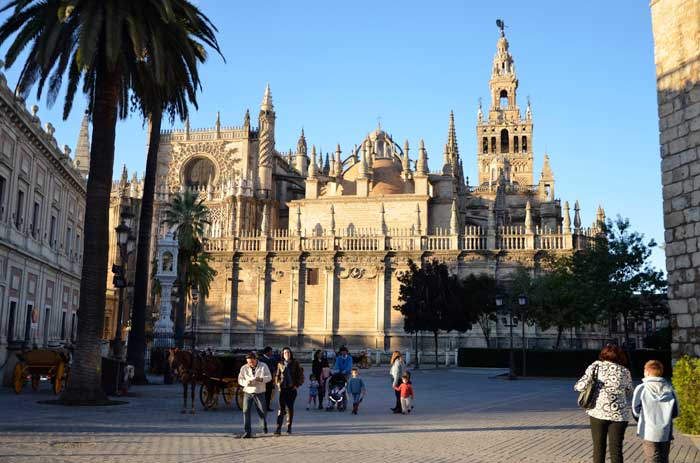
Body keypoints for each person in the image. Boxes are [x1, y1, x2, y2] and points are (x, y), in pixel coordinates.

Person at [574, 344, 633, 463]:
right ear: (619, 356)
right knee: (616, 450)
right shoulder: (625, 371)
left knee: (598, 448)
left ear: (603, 354)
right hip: (620, 414)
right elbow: (629, 391)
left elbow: (580, 386)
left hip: (598, 412)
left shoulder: (596, 367)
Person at [632, 360, 679, 463]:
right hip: (666, 431)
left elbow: (635, 411)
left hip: (648, 430)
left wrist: (643, 419)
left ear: (647, 372)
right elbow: (676, 412)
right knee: (664, 458)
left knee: (652, 458)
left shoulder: (641, 388)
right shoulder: (670, 389)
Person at [237, 352, 272, 439]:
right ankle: (247, 431)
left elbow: (269, 377)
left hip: (259, 392)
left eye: (252, 362)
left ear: (255, 360)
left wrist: (261, 379)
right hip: (248, 392)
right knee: (246, 411)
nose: (250, 364)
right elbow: (240, 379)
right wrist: (246, 382)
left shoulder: (263, 366)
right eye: (248, 362)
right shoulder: (244, 368)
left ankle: (263, 427)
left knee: (262, 411)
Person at [274, 346, 304, 435]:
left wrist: (297, 385)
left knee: (289, 408)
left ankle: (289, 427)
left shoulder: (295, 363)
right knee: (281, 408)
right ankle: (278, 428)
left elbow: (300, 376)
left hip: (291, 389)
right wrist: (278, 384)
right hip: (282, 389)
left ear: (291, 354)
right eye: (285, 353)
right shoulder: (280, 363)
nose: (287, 354)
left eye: (288, 352)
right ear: (282, 354)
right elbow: (277, 376)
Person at [259, 346, 277, 412]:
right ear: (267, 352)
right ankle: (264, 407)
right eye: (271, 351)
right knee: (265, 394)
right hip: (264, 379)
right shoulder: (262, 359)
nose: (272, 353)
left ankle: (266, 406)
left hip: (269, 379)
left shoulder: (270, 359)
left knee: (268, 394)